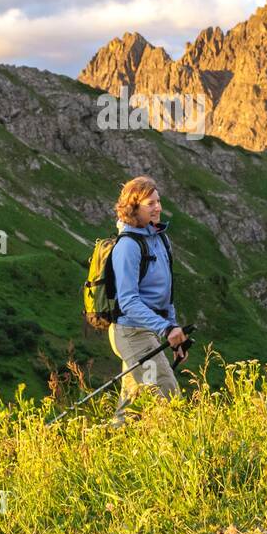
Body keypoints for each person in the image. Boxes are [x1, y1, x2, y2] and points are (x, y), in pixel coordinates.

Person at [107, 176, 187, 421]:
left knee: (131, 409)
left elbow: (166, 292)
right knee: (169, 398)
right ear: (133, 207)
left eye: (159, 201)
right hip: (132, 333)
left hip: (150, 331)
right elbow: (128, 301)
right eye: (150, 203)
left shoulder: (160, 238)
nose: (158, 207)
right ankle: (177, 454)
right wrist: (167, 328)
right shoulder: (127, 246)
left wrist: (173, 330)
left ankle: (104, 447)